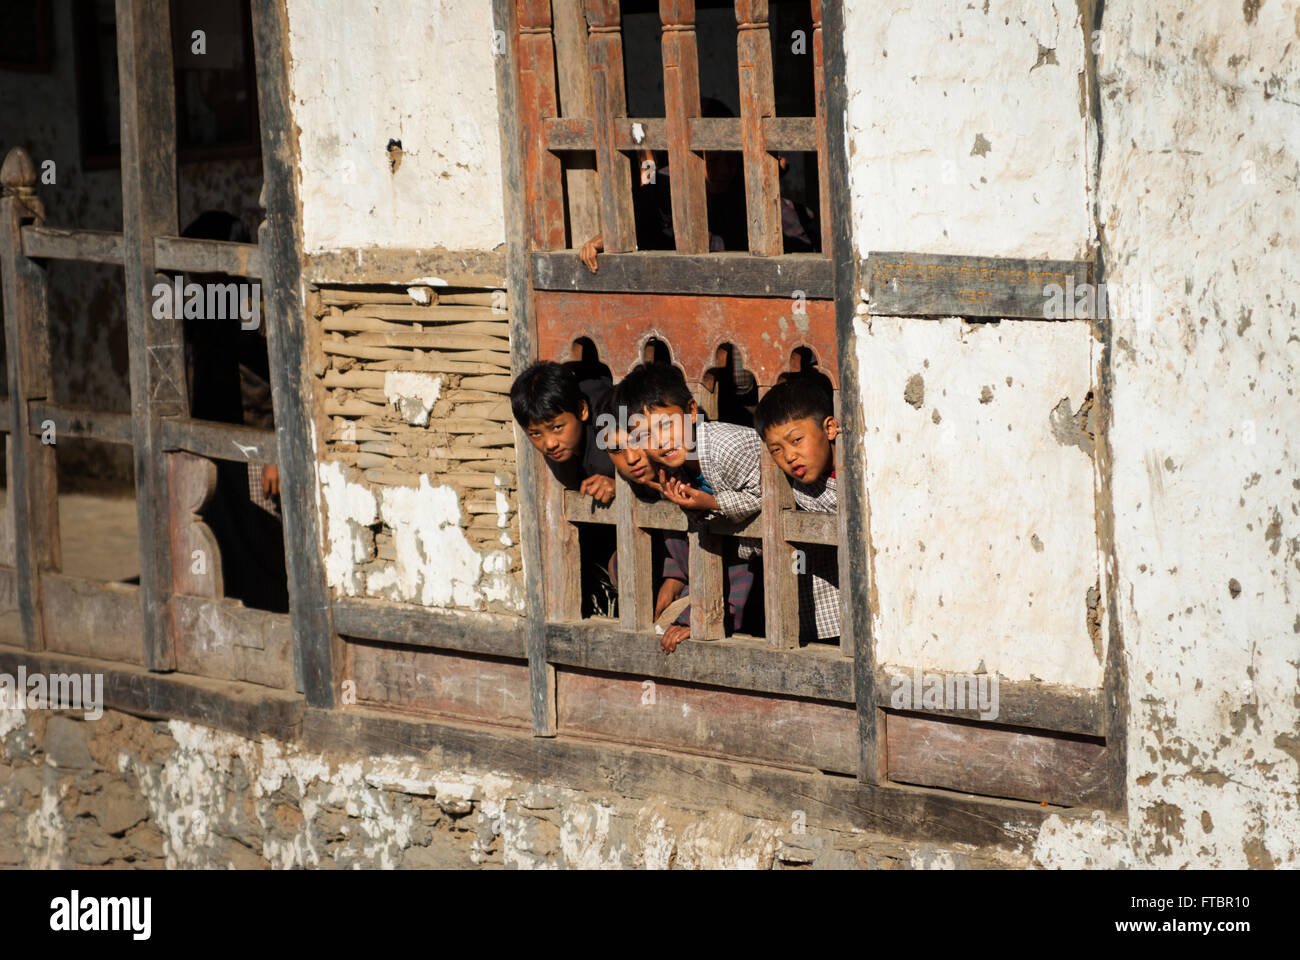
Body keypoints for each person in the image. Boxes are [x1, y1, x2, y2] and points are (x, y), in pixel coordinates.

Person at [614, 362, 764, 653]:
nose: (659, 442)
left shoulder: (727, 447)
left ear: (692, 411)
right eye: (645, 436)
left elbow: (770, 498)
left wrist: (714, 503)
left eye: (666, 425)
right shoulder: (674, 470)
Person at [579, 99, 819, 272]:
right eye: (713, 160)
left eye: (730, 160)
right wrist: (602, 240)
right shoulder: (666, 183)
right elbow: (635, 221)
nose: (723, 170)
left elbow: (800, 234)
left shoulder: (744, 185)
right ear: (692, 157)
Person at [510, 360, 617, 616]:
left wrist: (621, 484)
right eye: (535, 434)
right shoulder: (562, 438)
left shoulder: (611, 418)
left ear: (582, 410)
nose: (549, 443)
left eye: (557, 428)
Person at [753, 376, 841, 642]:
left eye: (797, 440)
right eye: (776, 450)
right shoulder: (797, 491)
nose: (789, 456)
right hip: (820, 618)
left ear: (829, 428)